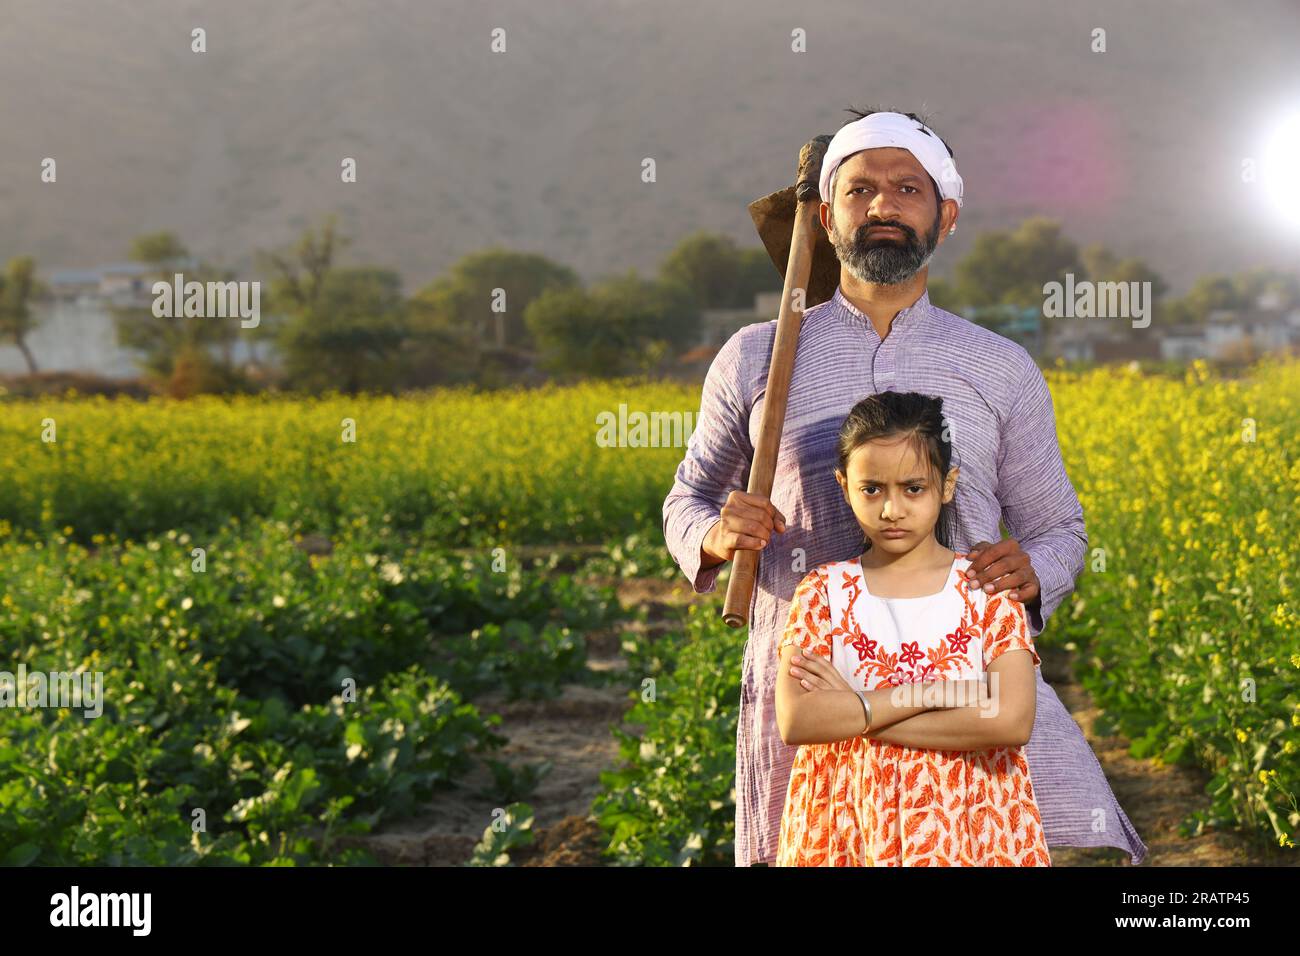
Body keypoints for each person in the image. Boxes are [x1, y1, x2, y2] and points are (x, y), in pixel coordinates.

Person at [661, 106, 1147, 866]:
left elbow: (1060, 531)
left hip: (968, 690)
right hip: (814, 686)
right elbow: (685, 499)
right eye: (859, 191)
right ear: (824, 218)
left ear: (944, 216)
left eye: (907, 189)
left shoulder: (1000, 367)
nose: (883, 205)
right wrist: (717, 533)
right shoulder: (754, 357)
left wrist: (1036, 571)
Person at [773, 390, 1050, 866]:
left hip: (969, 823)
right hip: (849, 824)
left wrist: (858, 710)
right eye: (872, 489)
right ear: (844, 486)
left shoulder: (987, 590)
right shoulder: (822, 593)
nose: (891, 510)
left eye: (913, 488)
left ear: (947, 485)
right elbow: (798, 720)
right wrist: (936, 692)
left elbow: (1010, 720)